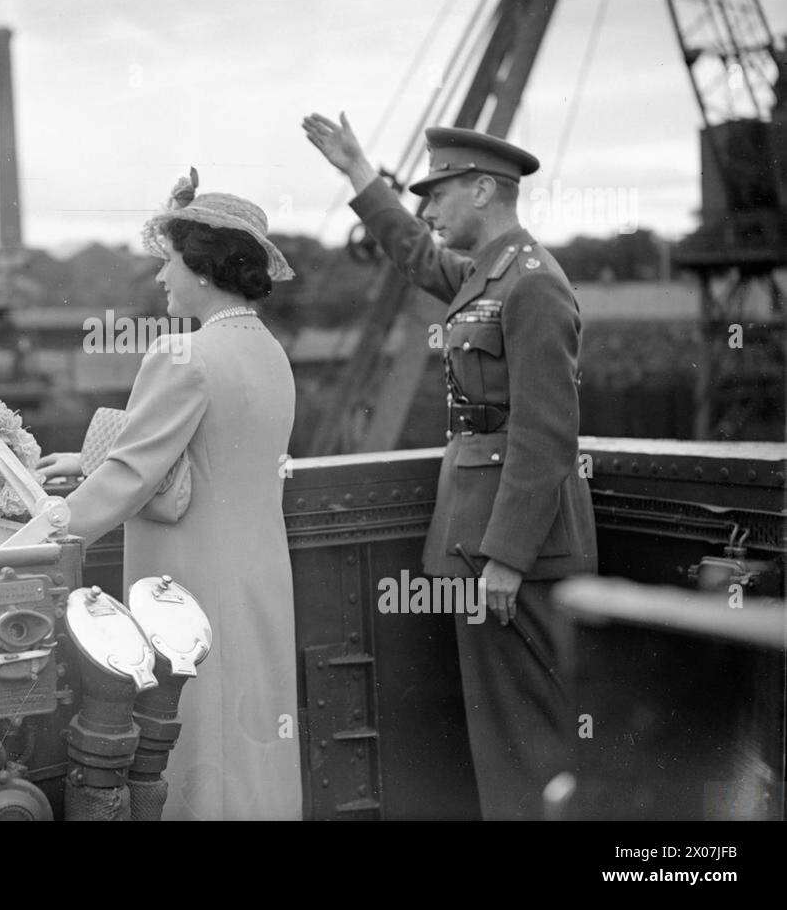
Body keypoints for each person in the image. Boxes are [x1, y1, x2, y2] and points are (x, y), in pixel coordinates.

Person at [302, 114, 597, 819]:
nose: (428, 211)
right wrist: (358, 173)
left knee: (525, 735)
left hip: (515, 553)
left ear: (484, 190)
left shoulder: (532, 285)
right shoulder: (488, 274)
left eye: (438, 194)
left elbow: (545, 433)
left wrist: (506, 558)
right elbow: (412, 252)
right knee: (501, 733)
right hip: (485, 542)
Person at [37, 169, 303, 821]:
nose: (161, 277)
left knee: (193, 733)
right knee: (250, 738)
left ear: (204, 269)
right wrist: (87, 459)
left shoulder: (182, 353)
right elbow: (207, 447)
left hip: (190, 585)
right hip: (259, 575)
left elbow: (133, 474)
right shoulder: (270, 352)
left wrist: (40, 537)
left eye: (171, 261)